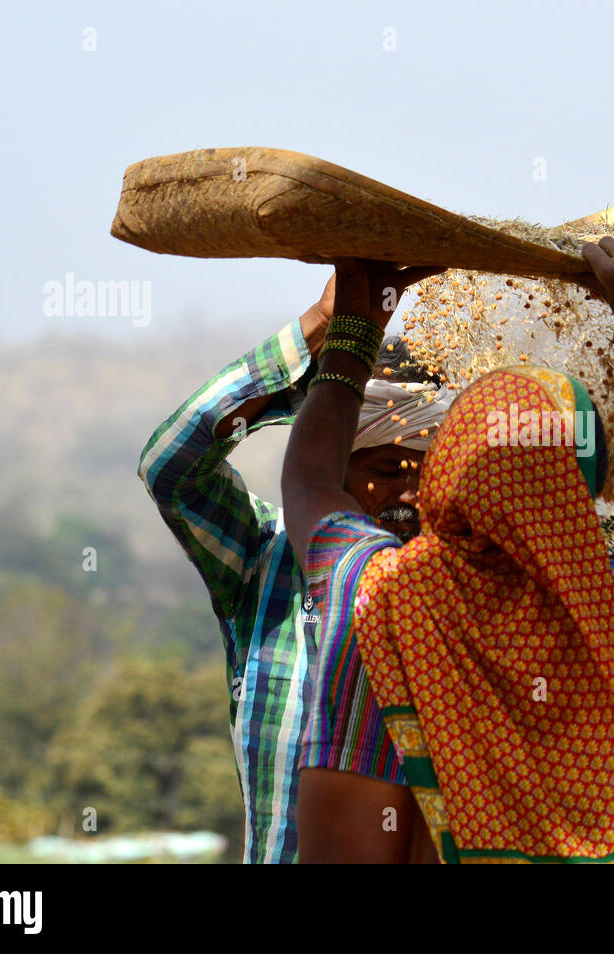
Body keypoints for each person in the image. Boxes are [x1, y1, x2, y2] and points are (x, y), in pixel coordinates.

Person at [283, 236, 614, 862]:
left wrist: (354, 334)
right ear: (574, 493)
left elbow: (311, 478)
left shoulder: (369, 589)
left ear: (445, 470)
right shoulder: (595, 603)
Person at [137, 266, 447, 863]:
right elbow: (170, 468)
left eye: (427, 473)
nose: (410, 497)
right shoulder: (263, 557)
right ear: (334, 465)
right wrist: (319, 330)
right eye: (386, 472)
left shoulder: (467, 581)